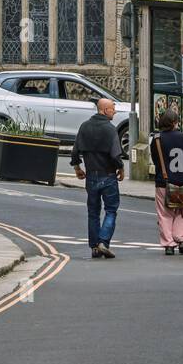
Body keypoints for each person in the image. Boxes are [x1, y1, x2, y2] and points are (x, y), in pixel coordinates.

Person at [71, 97, 125, 259]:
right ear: (104, 110)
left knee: (93, 213)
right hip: (108, 176)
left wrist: (77, 168)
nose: (114, 111)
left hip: (91, 177)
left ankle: (94, 247)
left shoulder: (85, 126)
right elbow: (115, 155)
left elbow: (75, 151)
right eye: (113, 108)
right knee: (111, 210)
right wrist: (121, 168)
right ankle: (103, 242)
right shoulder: (110, 129)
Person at [151, 107, 183, 256]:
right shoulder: (182, 137)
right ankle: (182, 240)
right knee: (182, 212)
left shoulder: (157, 139)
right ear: (175, 122)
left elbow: (155, 160)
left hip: (164, 181)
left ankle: (169, 244)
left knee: (165, 214)